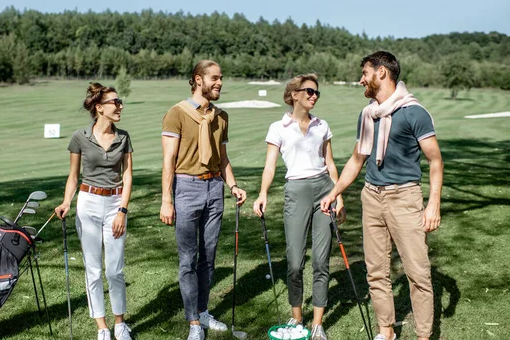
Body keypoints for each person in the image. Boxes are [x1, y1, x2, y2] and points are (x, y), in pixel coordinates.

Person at [320, 51, 443, 340]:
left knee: (418, 273)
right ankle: (386, 331)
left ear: (381, 73)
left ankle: (424, 336)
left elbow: (435, 161)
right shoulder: (367, 114)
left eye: (365, 73)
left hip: (405, 198)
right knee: (376, 271)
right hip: (371, 197)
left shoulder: (414, 112)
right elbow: (356, 160)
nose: (361, 79)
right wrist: (334, 192)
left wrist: (432, 205)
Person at [253, 73, 346, 340]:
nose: (314, 96)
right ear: (294, 94)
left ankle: (317, 324)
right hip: (296, 191)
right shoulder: (278, 127)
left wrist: (338, 195)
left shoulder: (322, 125)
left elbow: (329, 163)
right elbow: (270, 165)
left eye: (317, 93)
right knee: (294, 263)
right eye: (309, 91)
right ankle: (297, 319)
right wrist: (262, 194)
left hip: (324, 192)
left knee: (320, 260)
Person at [160, 60, 247, 340]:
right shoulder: (177, 113)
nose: (220, 82)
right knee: (188, 258)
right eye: (214, 78)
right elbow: (168, 160)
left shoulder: (221, 117)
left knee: (208, 257)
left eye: (221, 78)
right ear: (198, 80)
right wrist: (166, 200)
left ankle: (204, 310)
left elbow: (222, 159)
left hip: (215, 188)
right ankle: (194, 323)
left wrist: (232, 185)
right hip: (186, 188)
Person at [55, 83, 134, 340]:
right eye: (115, 102)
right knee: (93, 269)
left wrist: (123, 210)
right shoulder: (80, 137)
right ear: (99, 108)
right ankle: (102, 326)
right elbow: (73, 176)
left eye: (119, 101)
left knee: (114, 270)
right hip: (87, 203)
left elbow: (128, 175)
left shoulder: (124, 137)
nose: (120, 105)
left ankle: (120, 323)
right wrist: (67, 201)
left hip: (115, 204)